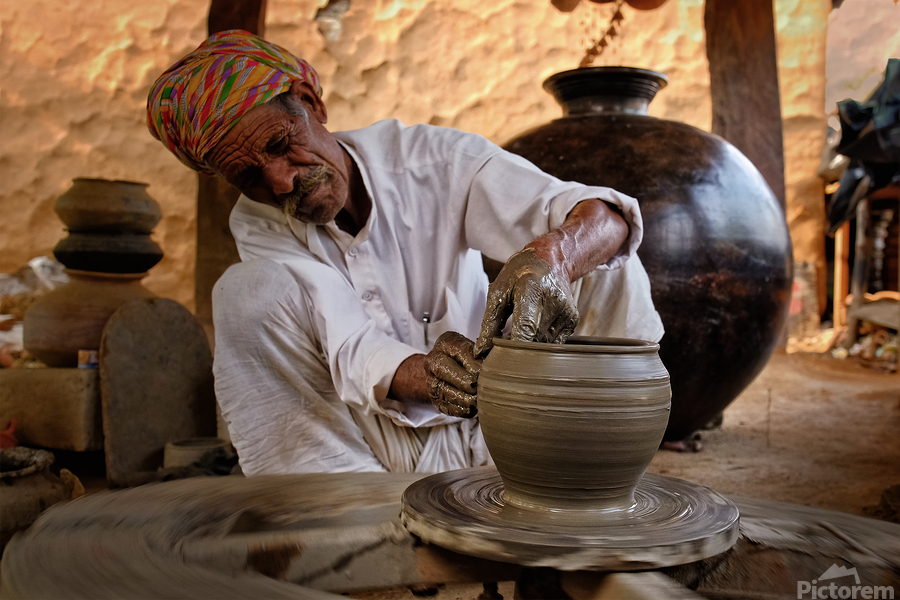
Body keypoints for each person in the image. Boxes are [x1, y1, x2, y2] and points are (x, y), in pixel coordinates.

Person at [147, 30, 663, 475]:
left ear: (312, 103)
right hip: (371, 453)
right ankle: (353, 535)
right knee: (245, 293)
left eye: (282, 145)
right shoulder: (258, 222)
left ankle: (592, 479)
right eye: (248, 176)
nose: (281, 181)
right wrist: (431, 374)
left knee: (601, 252)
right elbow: (350, 347)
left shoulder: (429, 160)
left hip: (505, 432)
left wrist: (553, 258)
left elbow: (605, 217)